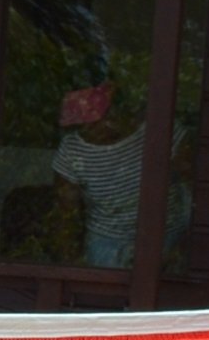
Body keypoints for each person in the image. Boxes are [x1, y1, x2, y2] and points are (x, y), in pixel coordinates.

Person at [47, 81, 142, 270]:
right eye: (80, 126)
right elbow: (66, 213)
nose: (89, 130)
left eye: (94, 122)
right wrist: (70, 264)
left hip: (163, 237)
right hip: (106, 243)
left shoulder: (156, 132)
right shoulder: (72, 149)